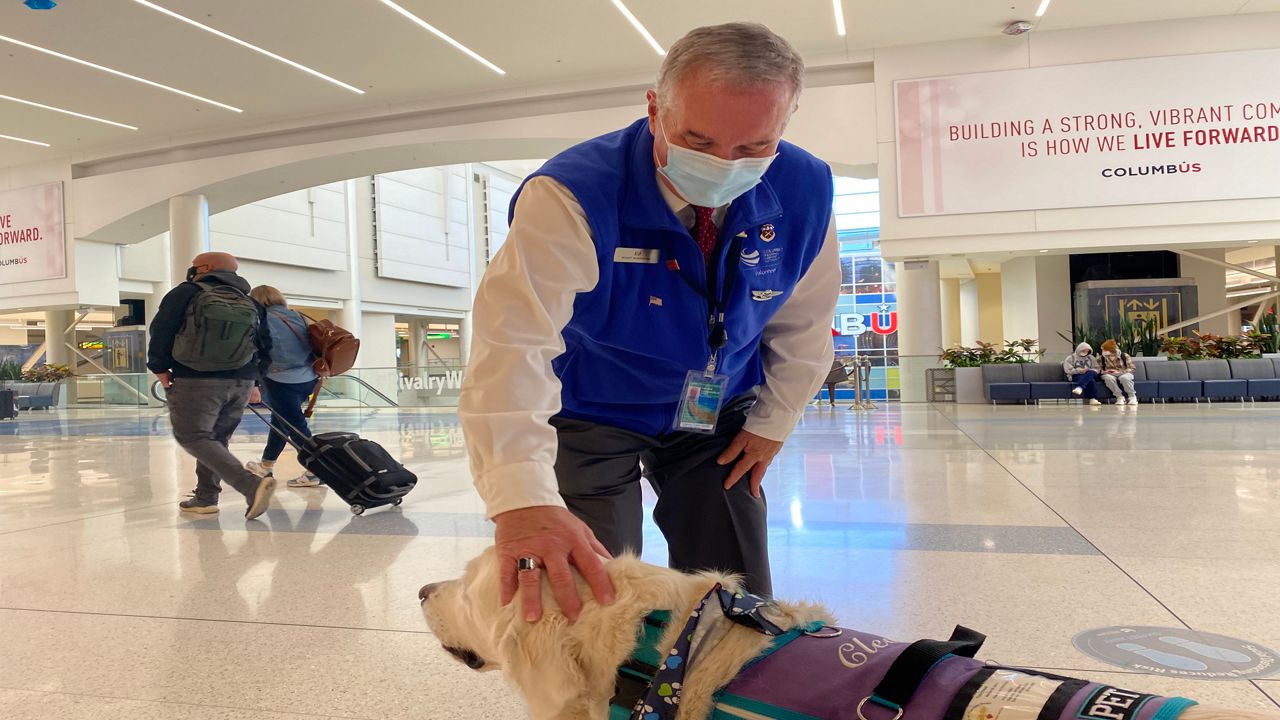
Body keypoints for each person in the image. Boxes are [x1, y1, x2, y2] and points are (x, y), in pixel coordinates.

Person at [459, 22, 841, 622]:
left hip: (715, 412)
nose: (723, 165)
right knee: (589, 596)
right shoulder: (573, 193)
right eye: (699, 139)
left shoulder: (805, 189)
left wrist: (774, 420)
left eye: (750, 149)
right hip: (590, 412)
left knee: (737, 598)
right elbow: (513, 342)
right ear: (655, 108)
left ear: (782, 129)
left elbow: (804, 318)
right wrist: (520, 500)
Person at [147, 251, 276, 518]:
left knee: (194, 436)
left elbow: (161, 330)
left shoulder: (186, 292)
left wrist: (159, 367)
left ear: (204, 268)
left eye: (194, 266)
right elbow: (265, 345)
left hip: (197, 379)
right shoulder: (250, 301)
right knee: (216, 439)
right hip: (241, 380)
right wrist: (254, 379)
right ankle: (206, 497)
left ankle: (250, 485)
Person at [245, 285, 322, 488]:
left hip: (281, 380)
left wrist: (252, 382)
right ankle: (266, 465)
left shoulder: (261, 320)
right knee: (281, 421)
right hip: (309, 378)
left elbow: (256, 352)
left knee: (296, 425)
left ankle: (317, 469)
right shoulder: (297, 316)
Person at [1098, 339, 1138, 406]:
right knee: (1108, 378)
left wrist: (1120, 372)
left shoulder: (1124, 356)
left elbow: (1132, 368)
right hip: (1109, 374)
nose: (1103, 351)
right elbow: (1098, 369)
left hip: (1124, 373)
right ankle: (1119, 397)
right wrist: (1105, 371)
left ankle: (1132, 397)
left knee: (1124, 378)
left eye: (1104, 349)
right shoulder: (1101, 358)